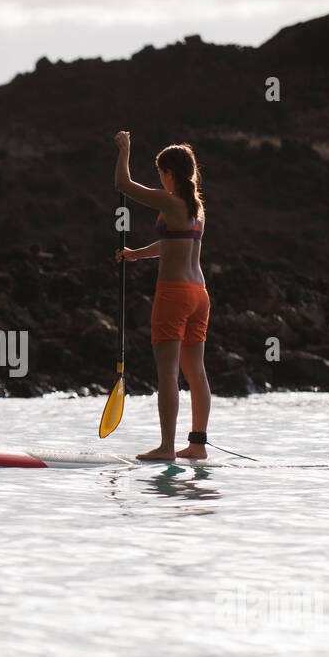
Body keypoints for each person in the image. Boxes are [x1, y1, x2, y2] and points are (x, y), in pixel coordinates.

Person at [113, 131, 211, 461]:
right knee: (195, 371)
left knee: (167, 373)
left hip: (173, 295)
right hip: (199, 294)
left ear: (170, 173)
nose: (160, 180)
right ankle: (197, 445)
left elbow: (123, 185)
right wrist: (137, 254)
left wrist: (125, 149)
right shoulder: (196, 209)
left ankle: (167, 447)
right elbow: (174, 245)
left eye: (160, 173)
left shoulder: (168, 201)